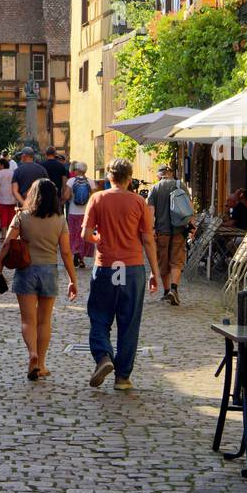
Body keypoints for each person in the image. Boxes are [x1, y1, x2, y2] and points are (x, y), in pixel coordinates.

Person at [81, 158, 161, 392]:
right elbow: (147, 239)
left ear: (109, 177)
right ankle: (123, 377)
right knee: (129, 322)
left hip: (106, 266)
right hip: (132, 267)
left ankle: (104, 356)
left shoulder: (97, 199)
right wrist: (155, 272)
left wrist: (99, 239)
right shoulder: (139, 202)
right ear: (129, 178)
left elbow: (86, 234)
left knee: (99, 316)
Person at [0, 178, 78, 380]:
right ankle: (41, 363)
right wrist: (72, 279)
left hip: (26, 270)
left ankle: (31, 353)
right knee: (44, 321)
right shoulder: (60, 219)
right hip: (49, 271)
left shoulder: (22, 217)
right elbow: (66, 252)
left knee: (27, 321)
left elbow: (7, 244)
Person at [146, 162, 191, 306]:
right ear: (171, 173)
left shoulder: (155, 188)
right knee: (176, 261)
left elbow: (150, 211)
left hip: (161, 231)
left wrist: (151, 229)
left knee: (163, 262)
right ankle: (174, 290)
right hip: (180, 230)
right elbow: (189, 208)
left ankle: (166, 292)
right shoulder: (180, 185)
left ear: (159, 175)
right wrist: (192, 225)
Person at [64, 161, 95, 269]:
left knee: (74, 235)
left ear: (77, 170)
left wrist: (70, 196)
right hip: (86, 214)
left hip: (73, 212)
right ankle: (81, 259)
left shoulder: (71, 181)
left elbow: (66, 196)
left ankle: (75, 252)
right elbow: (95, 198)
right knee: (84, 235)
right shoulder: (90, 182)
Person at [0, 153, 18, 234]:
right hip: (12, 198)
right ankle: (10, 235)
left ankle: (4, 235)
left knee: (3, 217)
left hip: (2, 199)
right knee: (11, 217)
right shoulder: (13, 173)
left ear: (2, 165)